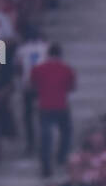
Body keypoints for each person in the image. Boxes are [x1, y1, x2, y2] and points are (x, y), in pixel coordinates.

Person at [29, 42, 75, 178]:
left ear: (48, 54)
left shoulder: (38, 69)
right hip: (61, 105)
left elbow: (33, 85)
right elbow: (71, 87)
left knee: (45, 138)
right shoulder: (67, 69)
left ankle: (46, 165)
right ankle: (61, 156)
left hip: (45, 106)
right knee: (66, 131)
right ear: (60, 55)